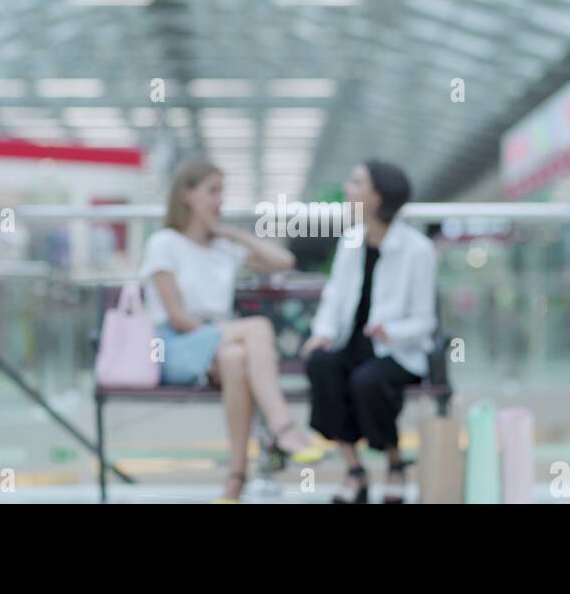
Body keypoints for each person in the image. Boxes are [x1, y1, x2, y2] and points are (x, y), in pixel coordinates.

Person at [140, 159, 323, 503]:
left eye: (222, 192)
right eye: (212, 191)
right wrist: (221, 333)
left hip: (220, 346)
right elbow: (177, 317)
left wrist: (233, 234)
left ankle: (235, 483)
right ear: (187, 194)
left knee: (236, 358)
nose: (220, 200)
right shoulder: (164, 243)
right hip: (174, 345)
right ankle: (282, 426)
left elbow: (284, 261)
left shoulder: (223, 249)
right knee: (256, 329)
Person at [301, 160, 437, 504]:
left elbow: (425, 322)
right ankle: (354, 470)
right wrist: (322, 333)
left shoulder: (418, 249)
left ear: (377, 196)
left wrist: (391, 331)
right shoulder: (350, 241)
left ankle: (395, 463)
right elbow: (333, 297)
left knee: (367, 381)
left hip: (396, 351)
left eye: (356, 182)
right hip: (351, 344)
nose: (347, 189)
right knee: (321, 365)